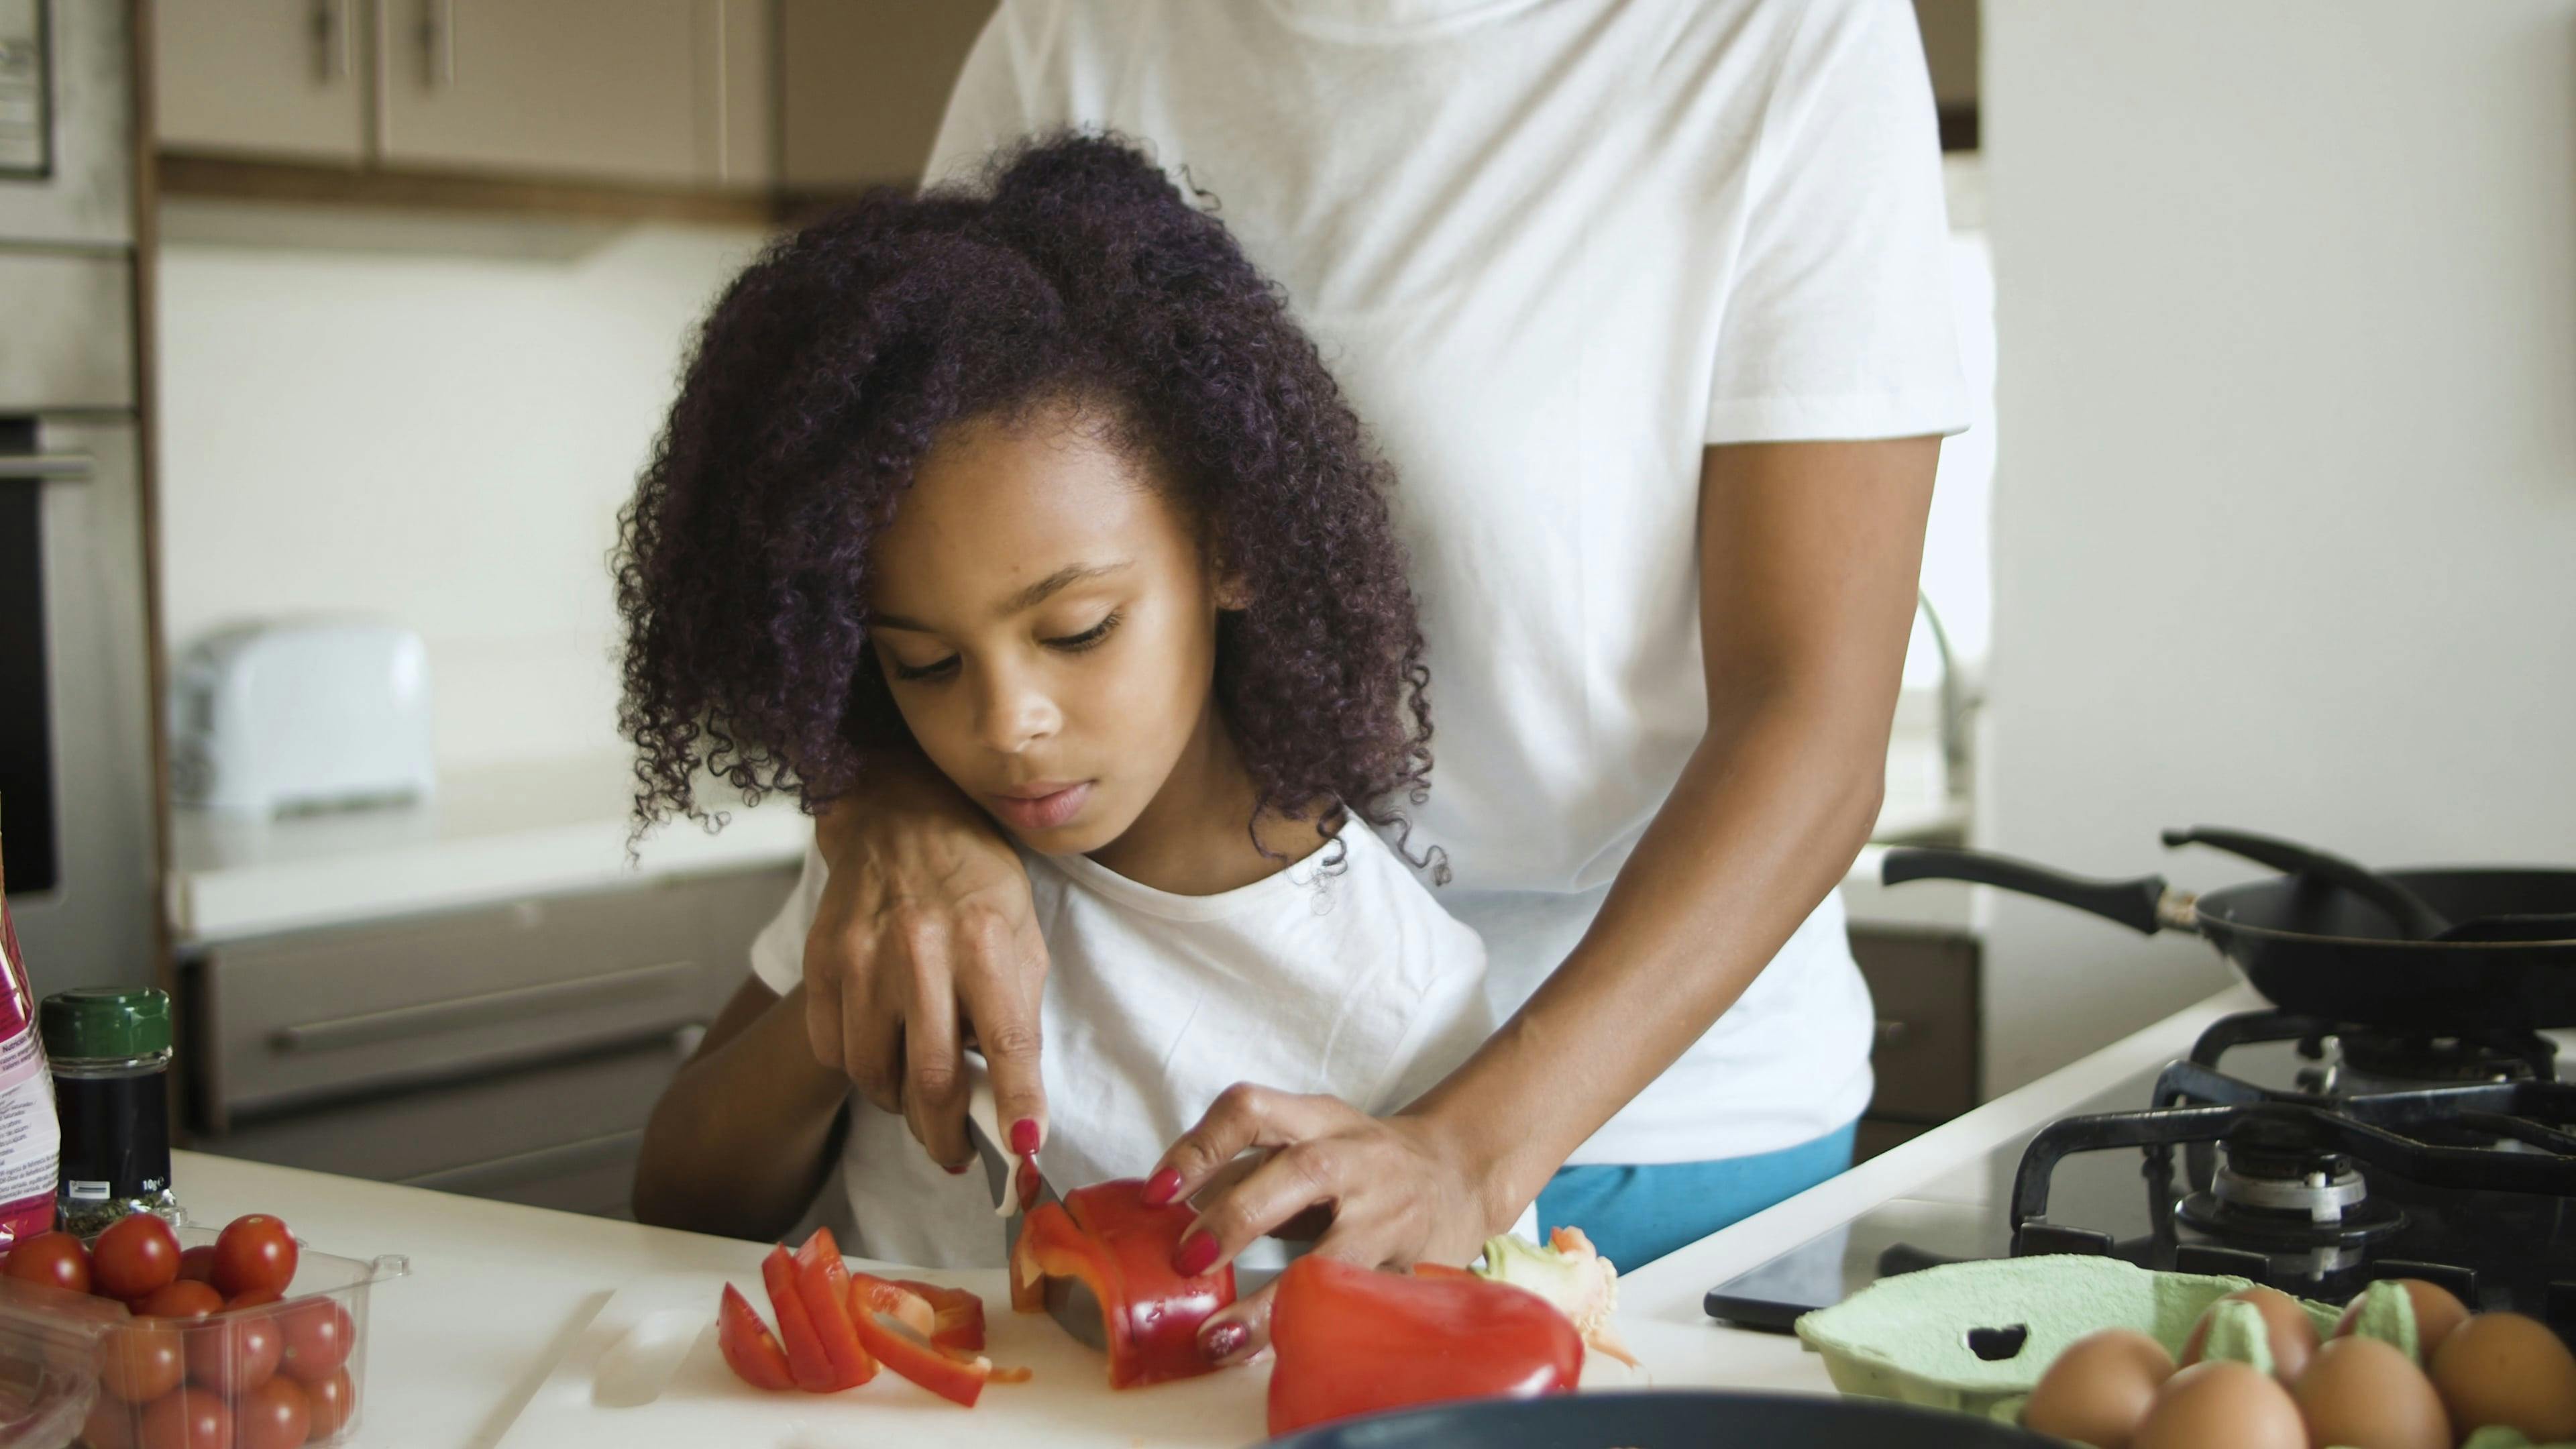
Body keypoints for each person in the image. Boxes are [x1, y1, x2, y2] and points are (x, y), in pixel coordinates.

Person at [795, 0, 1970, 1361]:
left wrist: (1468, 1152)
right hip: (1219, 1084)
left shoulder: (1782, 34)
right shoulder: (1074, 34)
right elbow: (918, 501)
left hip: (1647, 1120)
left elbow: (1814, 722)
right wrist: (885, 802)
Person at [617, 136, 1496, 1269]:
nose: (1005, 725)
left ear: (1230, 547)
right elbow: (679, 1200)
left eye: (1077, 632)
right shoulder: (911, 848)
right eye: (924, 663)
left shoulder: (1395, 990)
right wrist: (847, 1006)